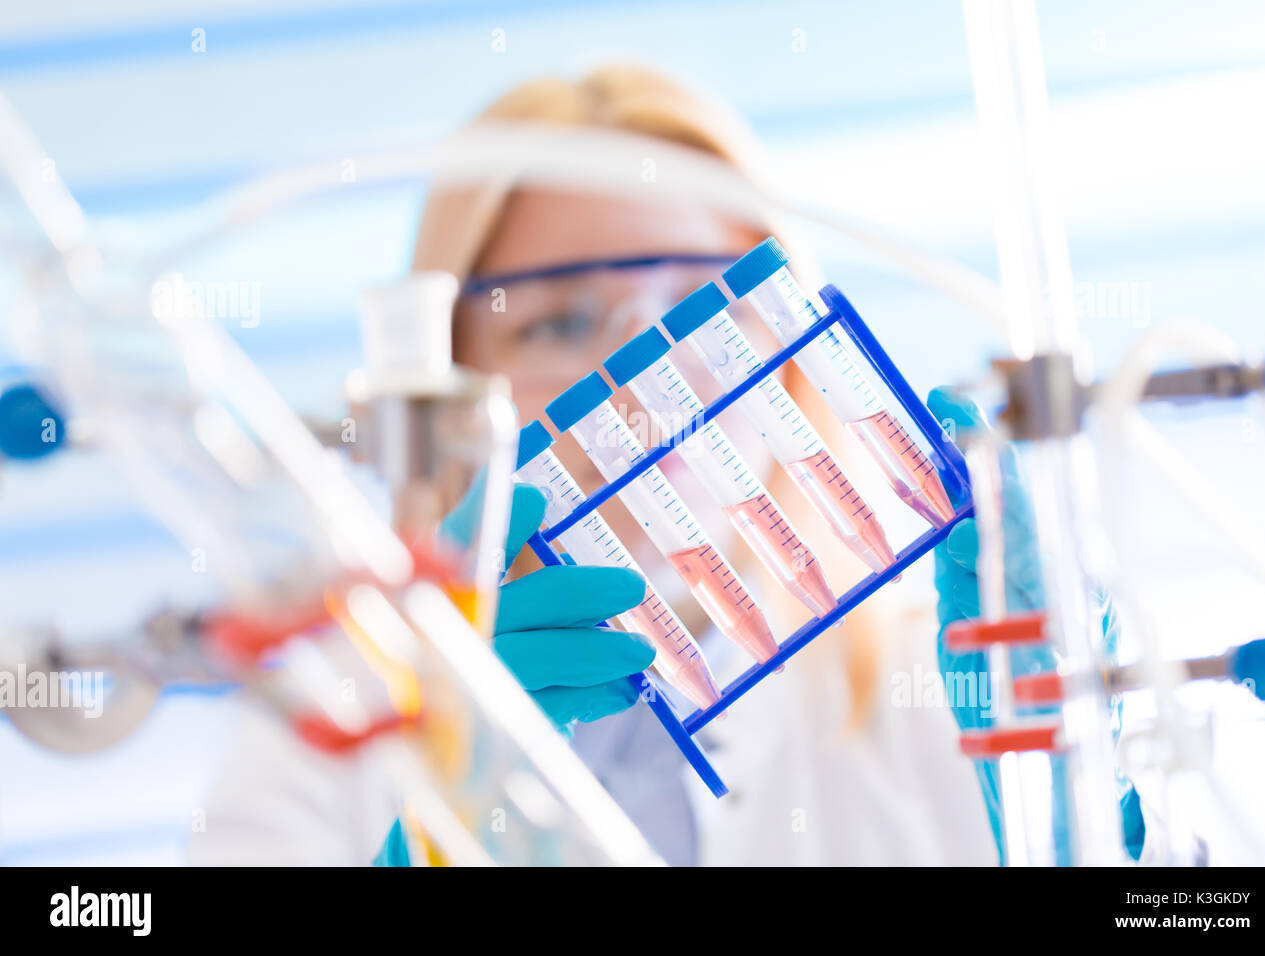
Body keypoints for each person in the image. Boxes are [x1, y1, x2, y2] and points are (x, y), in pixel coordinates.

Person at [192, 65, 1138, 867]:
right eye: (560, 323)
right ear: (448, 387)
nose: (650, 383)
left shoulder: (949, 674)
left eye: (705, 307)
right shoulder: (329, 714)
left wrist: (1085, 812)